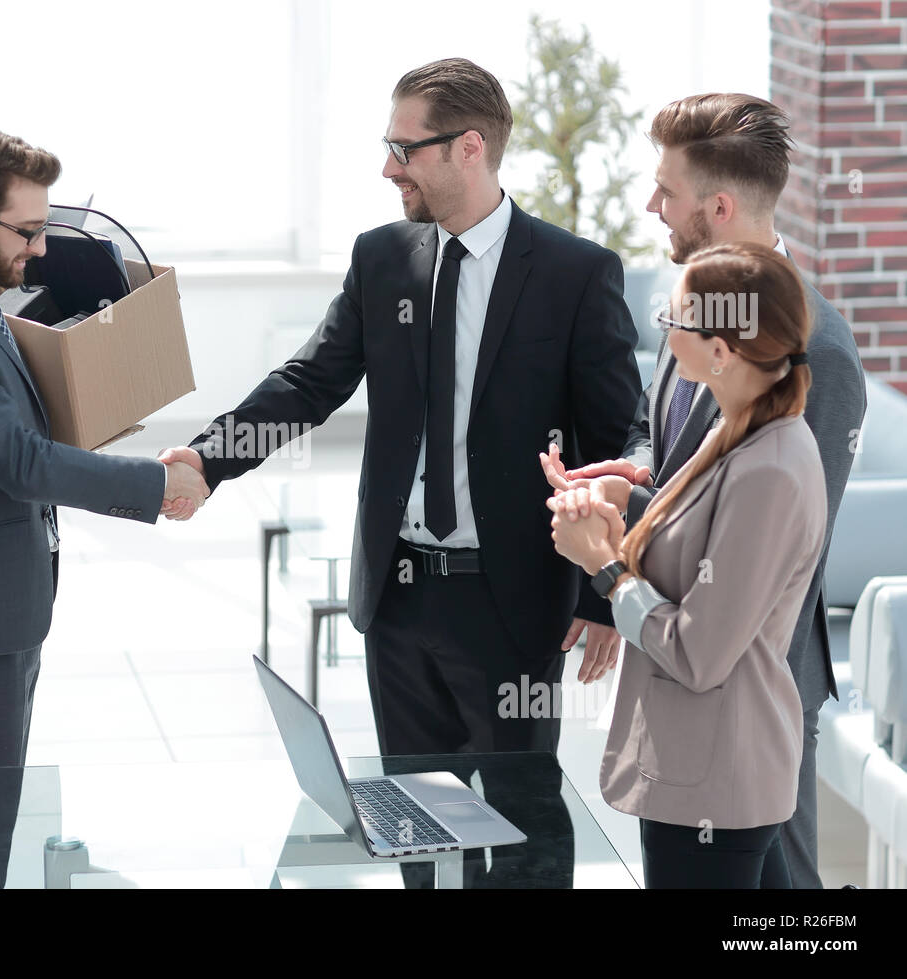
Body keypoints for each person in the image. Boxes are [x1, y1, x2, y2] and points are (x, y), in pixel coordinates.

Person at [159, 58, 642, 885]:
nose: (388, 168)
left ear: (469, 148)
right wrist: (210, 460)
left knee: (522, 827)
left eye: (403, 148)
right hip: (401, 596)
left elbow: (616, 438)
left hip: (515, 604)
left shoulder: (574, 274)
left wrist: (603, 592)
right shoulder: (383, 259)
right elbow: (309, 381)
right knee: (418, 824)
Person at [0, 130, 207, 887]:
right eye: (29, 230)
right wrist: (155, 487)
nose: (43, 249)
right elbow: (17, 462)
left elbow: (17, 429)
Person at [550, 94, 867, 887]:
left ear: (719, 206)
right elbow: (679, 448)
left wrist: (614, 576)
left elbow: (771, 548)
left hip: (756, 694)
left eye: (667, 190)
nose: (652, 205)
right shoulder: (702, 301)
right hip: (685, 668)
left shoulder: (816, 351)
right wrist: (639, 479)